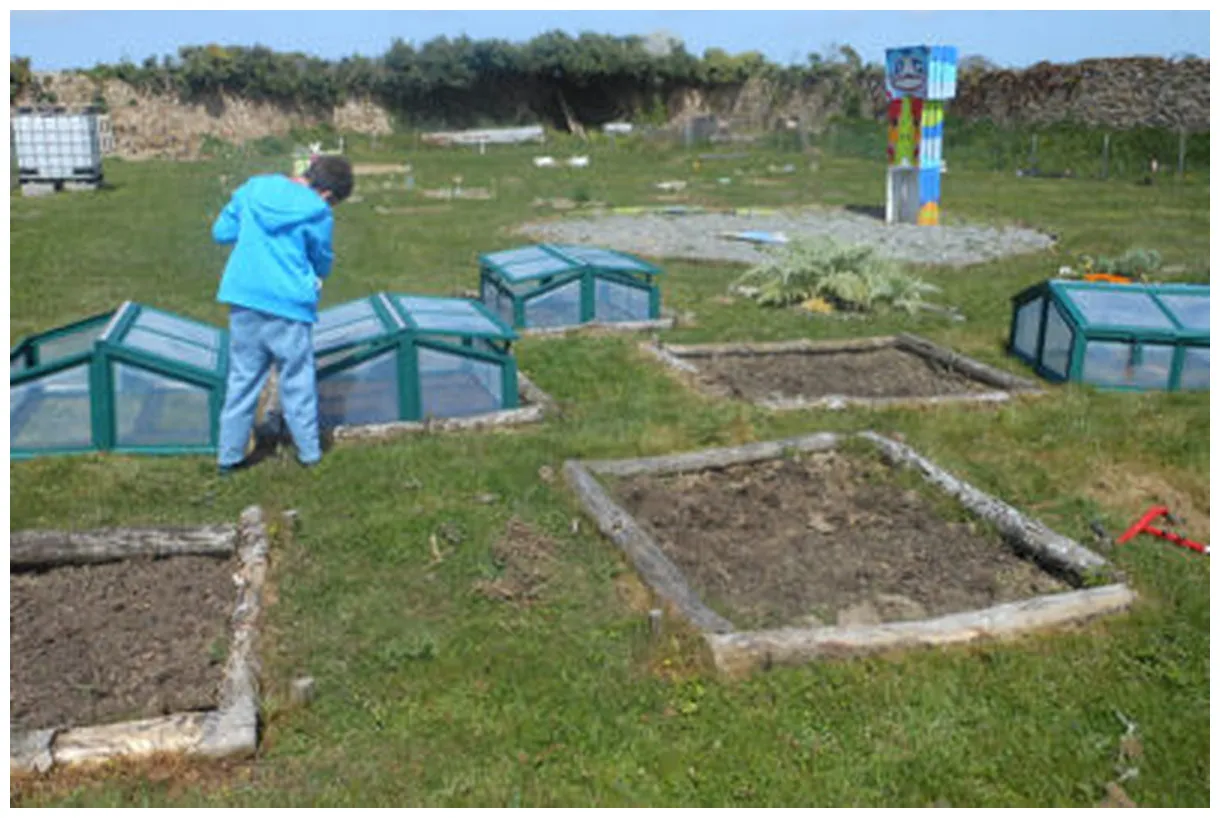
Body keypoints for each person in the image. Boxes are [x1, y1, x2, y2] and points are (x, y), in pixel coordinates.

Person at [211, 155, 355, 475]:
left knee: (243, 379)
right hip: (289, 305)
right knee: (297, 379)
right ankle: (309, 453)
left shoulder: (254, 189)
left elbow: (221, 232)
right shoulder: (318, 212)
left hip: (244, 296)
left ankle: (228, 457)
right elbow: (322, 260)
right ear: (327, 194)